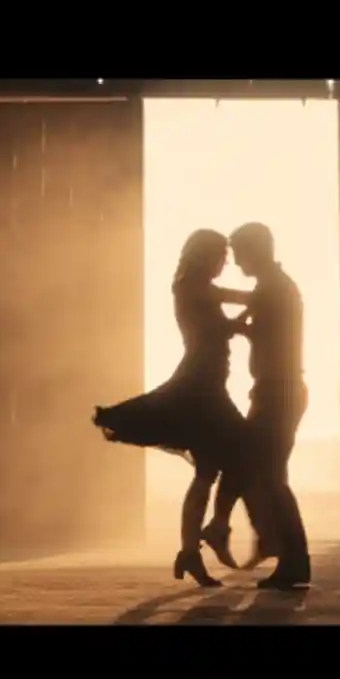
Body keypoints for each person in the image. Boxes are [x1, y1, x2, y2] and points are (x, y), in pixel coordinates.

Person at [93, 229, 253, 587]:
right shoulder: (191, 285)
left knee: (210, 470)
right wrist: (248, 315)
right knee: (236, 455)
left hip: (208, 384)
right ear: (203, 256)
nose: (223, 263)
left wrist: (247, 311)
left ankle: (193, 549)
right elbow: (217, 322)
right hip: (200, 387)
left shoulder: (193, 286)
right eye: (219, 256)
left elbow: (227, 305)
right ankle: (209, 534)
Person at [215, 222, 311, 590]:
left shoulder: (274, 289)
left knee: (269, 475)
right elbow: (246, 305)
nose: (237, 261)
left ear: (256, 250)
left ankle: (293, 558)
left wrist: (231, 327)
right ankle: (275, 544)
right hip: (275, 389)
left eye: (239, 253)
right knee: (261, 469)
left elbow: (258, 323)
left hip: (278, 391)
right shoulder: (272, 286)